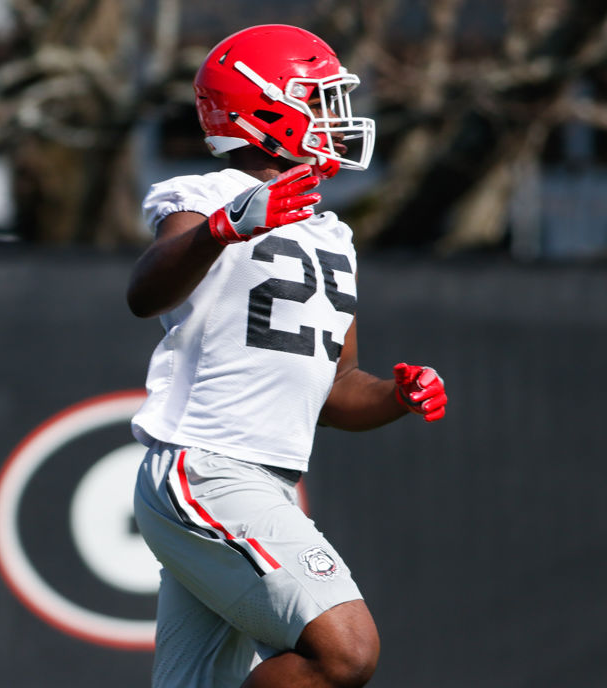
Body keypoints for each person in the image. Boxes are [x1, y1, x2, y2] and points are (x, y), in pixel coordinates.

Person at [128, 25, 448, 688]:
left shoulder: (332, 234)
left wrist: (395, 395)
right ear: (266, 107)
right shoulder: (205, 198)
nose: (337, 116)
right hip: (206, 467)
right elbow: (144, 290)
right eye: (320, 97)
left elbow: (335, 392)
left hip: (262, 478)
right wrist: (226, 226)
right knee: (346, 651)